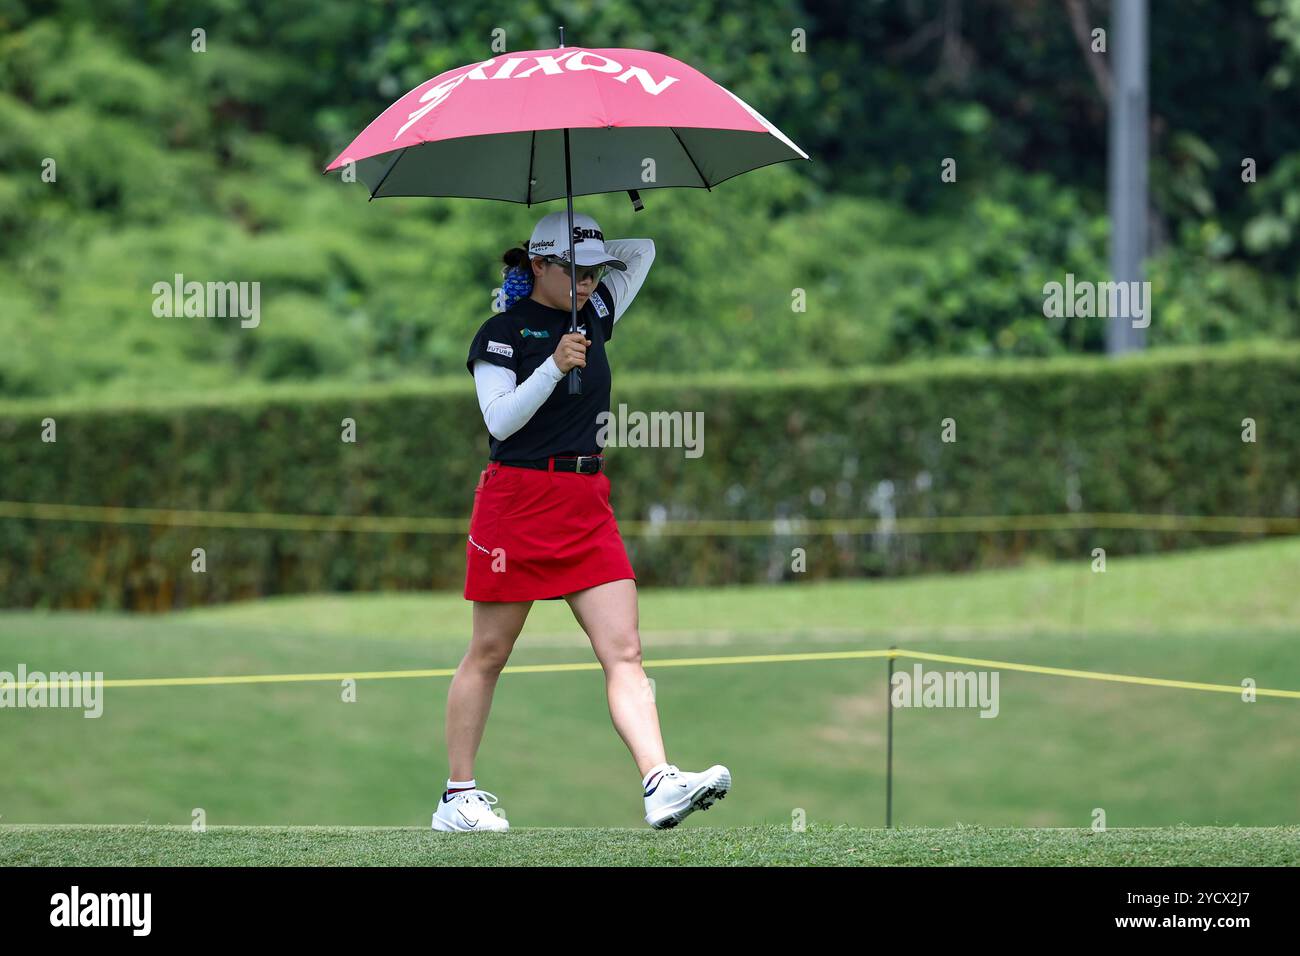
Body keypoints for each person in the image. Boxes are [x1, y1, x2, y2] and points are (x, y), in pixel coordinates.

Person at [431, 210, 731, 832]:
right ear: (539, 264)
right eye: (574, 269)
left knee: (625, 650)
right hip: (516, 499)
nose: (590, 281)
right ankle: (457, 798)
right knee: (489, 652)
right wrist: (553, 365)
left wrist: (584, 244)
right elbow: (499, 420)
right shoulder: (500, 333)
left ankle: (659, 781)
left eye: (596, 270)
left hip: (585, 500)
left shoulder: (595, 311)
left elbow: (642, 249)